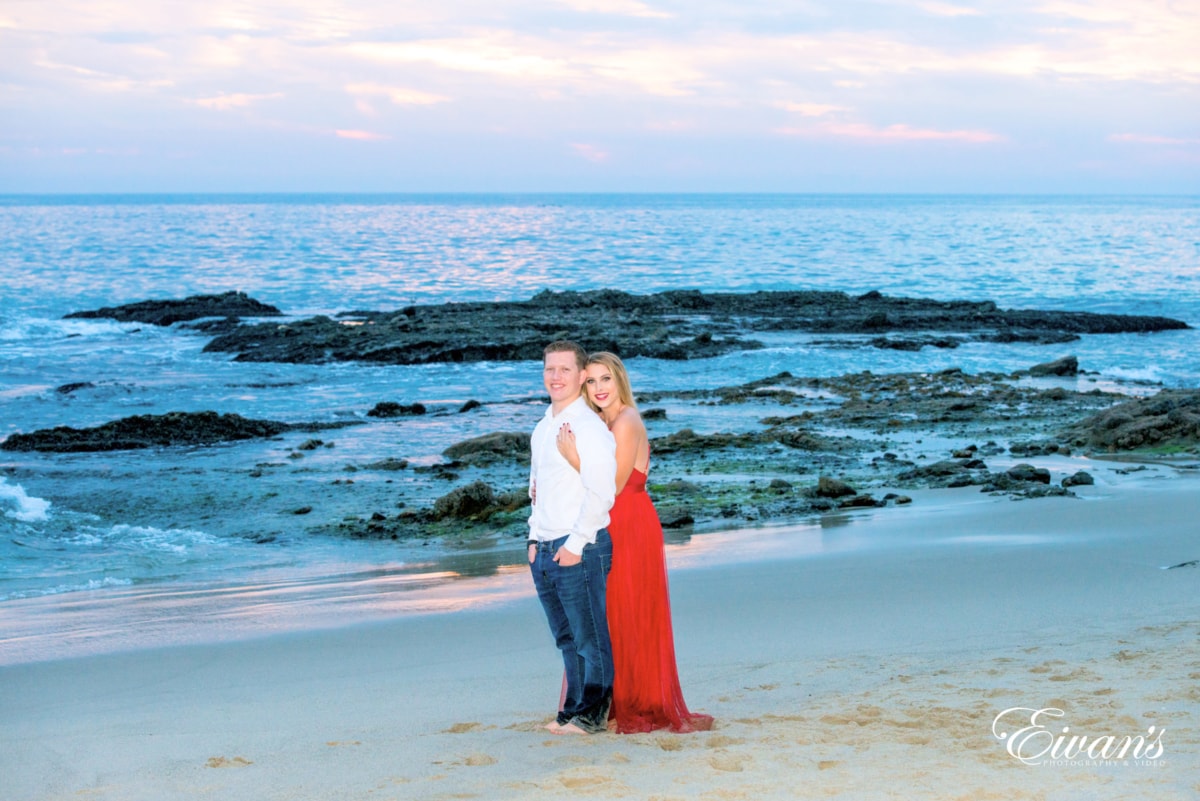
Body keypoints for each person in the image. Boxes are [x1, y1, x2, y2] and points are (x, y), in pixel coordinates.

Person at [557, 351, 713, 734]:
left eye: (605, 379)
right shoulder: (598, 421)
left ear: (619, 380)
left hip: (628, 522)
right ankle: (602, 703)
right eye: (590, 381)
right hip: (607, 523)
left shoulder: (626, 421)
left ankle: (629, 702)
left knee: (624, 612)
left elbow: (612, 485)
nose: (598, 388)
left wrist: (574, 460)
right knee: (605, 613)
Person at [528, 340, 617, 735]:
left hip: (579, 546)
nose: (556, 377)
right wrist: (533, 541)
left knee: (589, 636)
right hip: (545, 548)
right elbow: (538, 488)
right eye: (550, 369)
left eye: (565, 370)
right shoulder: (542, 427)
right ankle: (572, 709)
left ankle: (593, 714)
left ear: (581, 376)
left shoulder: (589, 428)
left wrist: (575, 545)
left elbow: (602, 494)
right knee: (566, 638)